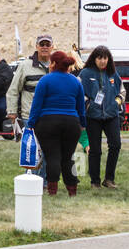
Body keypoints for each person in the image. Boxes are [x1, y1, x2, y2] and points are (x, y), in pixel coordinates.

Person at [28, 49, 86, 196]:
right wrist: (83, 124)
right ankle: (72, 190)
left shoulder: (45, 80)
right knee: (68, 158)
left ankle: (52, 190)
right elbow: (81, 107)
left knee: (52, 156)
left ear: (53, 63)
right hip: (71, 123)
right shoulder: (75, 81)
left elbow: (37, 105)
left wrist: (31, 124)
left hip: (48, 123)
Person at [80, 46, 124, 188]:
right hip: (93, 117)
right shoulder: (85, 74)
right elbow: (78, 91)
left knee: (116, 145)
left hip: (111, 116)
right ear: (94, 58)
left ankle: (109, 179)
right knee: (95, 150)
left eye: (105, 58)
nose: (103, 61)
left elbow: (122, 91)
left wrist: (116, 103)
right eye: (100, 58)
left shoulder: (113, 74)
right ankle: (95, 181)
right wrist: (88, 104)